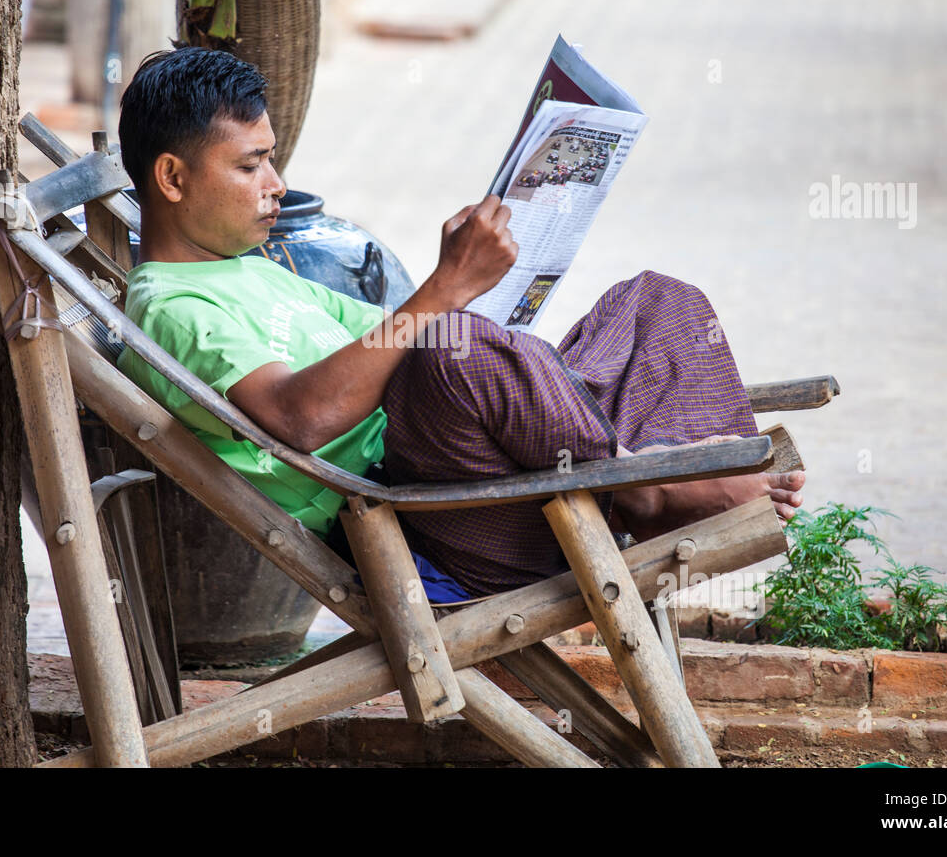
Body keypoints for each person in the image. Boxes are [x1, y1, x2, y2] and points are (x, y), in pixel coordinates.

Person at [115, 47, 805, 599]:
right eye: (251, 164)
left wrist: (480, 286)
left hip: (492, 468)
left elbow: (401, 337)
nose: (278, 184)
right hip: (428, 519)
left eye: (272, 158)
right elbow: (304, 418)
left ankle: (651, 480)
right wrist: (446, 288)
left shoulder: (249, 269)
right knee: (453, 353)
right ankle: (651, 486)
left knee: (657, 304)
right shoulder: (174, 308)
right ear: (173, 179)